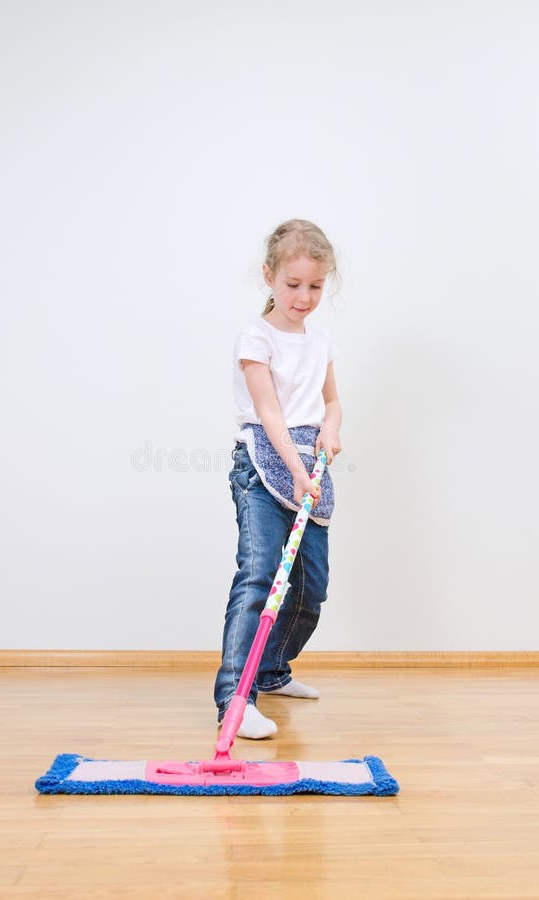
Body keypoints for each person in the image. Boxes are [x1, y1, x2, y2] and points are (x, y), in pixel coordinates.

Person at [214, 219, 342, 739]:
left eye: (315, 286)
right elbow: (269, 413)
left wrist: (331, 432)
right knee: (261, 574)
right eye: (293, 284)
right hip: (264, 464)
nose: (304, 296)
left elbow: (331, 402)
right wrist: (294, 468)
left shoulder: (321, 342)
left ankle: (270, 670)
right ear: (269, 276)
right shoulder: (257, 337)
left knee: (311, 587)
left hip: (310, 461)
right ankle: (234, 698)